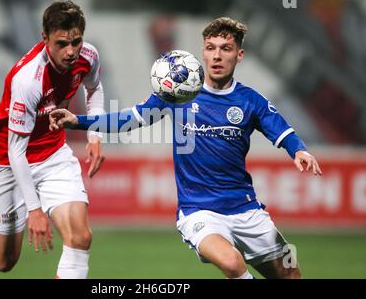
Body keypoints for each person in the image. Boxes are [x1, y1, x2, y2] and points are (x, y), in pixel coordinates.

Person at [48, 17, 322, 279]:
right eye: (211, 48)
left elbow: (282, 130)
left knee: (290, 273)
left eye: (225, 49)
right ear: (202, 52)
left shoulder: (251, 101)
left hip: (247, 209)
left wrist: (299, 150)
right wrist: (78, 121)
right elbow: (130, 118)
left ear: (239, 55)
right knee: (231, 262)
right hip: (199, 211)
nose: (216, 56)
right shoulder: (178, 91)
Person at [0, 0, 105, 279]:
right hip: (7, 163)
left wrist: (94, 135)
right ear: (44, 38)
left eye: (77, 42)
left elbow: (95, 88)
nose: (71, 52)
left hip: (52, 154)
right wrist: (35, 210)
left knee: (80, 237)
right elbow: (16, 151)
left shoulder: (89, 56)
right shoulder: (27, 80)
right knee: (5, 260)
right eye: (61, 44)